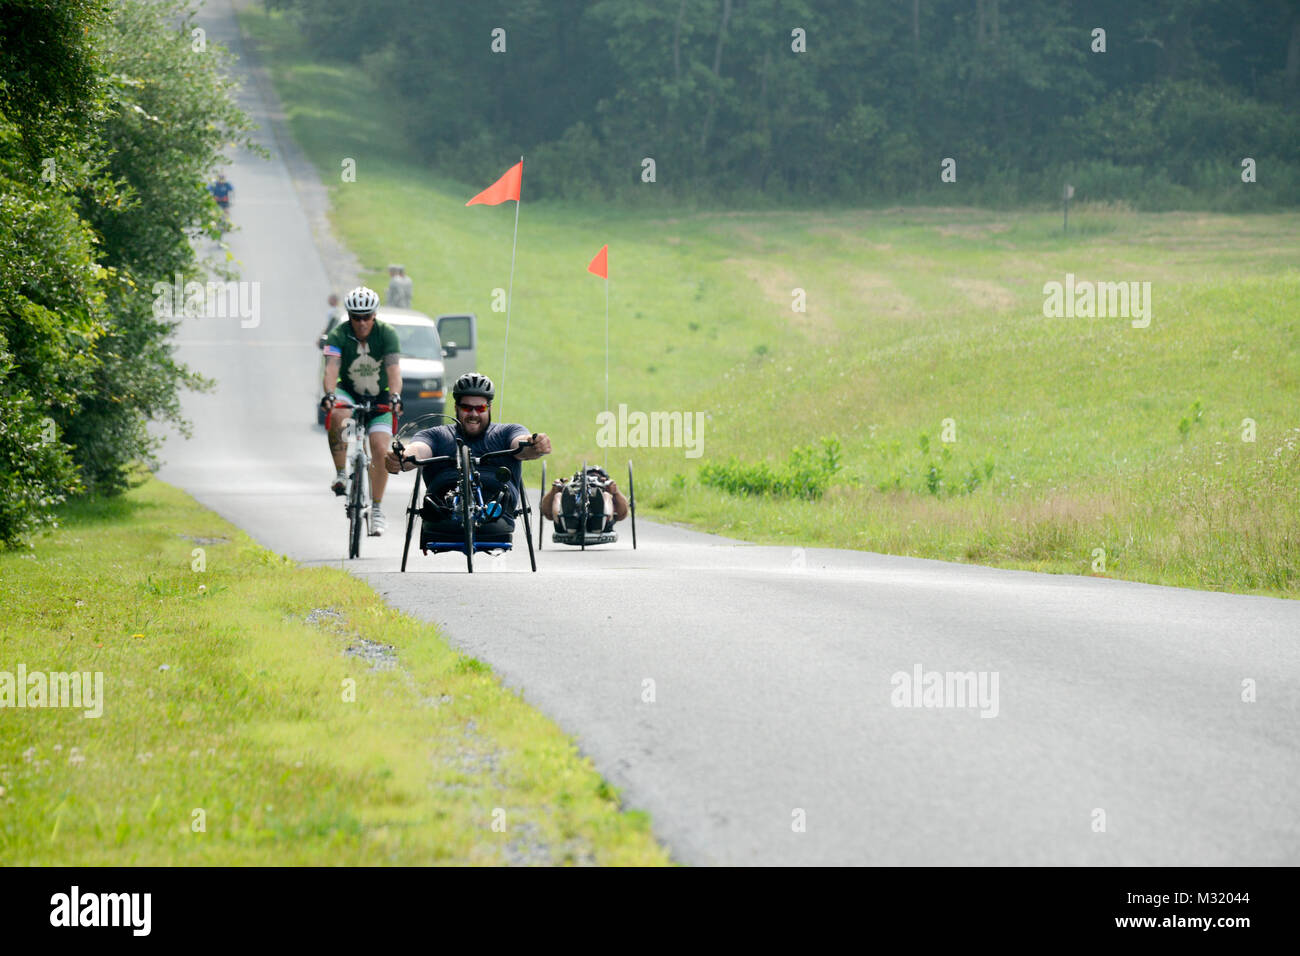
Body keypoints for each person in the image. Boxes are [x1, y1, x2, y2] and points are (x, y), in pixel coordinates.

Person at [385, 373, 550, 543]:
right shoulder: (436, 435)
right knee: (434, 504)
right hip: (444, 508)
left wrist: (534, 445)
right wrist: (402, 457)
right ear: (456, 407)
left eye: (480, 408)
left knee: (501, 496)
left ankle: (488, 512)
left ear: (489, 408)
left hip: (496, 505)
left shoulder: (506, 432)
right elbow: (419, 449)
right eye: (466, 408)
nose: (473, 414)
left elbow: (520, 445)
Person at [320, 286, 403, 535]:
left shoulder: (387, 334)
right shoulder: (338, 334)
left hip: (379, 396)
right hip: (349, 391)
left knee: (379, 449)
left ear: (374, 315)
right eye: (356, 317)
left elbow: (394, 371)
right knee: (338, 414)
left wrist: (395, 396)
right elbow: (331, 369)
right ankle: (342, 473)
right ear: (349, 316)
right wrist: (329, 394)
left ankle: (376, 509)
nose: (362, 322)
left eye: (367, 317)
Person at [541, 466, 629, 535]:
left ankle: (599, 519)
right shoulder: (574, 487)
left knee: (606, 496)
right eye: (589, 475)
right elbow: (547, 513)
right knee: (558, 496)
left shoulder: (608, 492)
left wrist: (616, 492)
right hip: (567, 521)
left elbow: (622, 514)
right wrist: (554, 490)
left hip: (604, 525)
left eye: (598, 476)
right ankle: (568, 518)